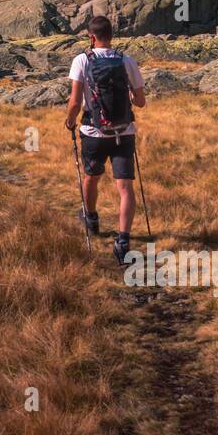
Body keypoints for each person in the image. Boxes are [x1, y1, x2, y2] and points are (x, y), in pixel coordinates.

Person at [64, 14, 146, 264]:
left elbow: (76, 101)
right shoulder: (126, 60)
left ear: (91, 37)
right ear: (112, 36)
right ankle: (123, 241)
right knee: (125, 188)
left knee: (92, 177)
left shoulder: (82, 60)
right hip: (124, 132)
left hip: (93, 132)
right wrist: (126, 100)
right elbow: (141, 102)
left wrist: (69, 120)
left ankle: (91, 218)